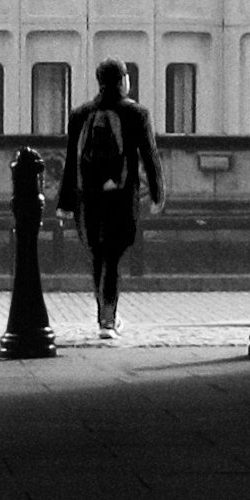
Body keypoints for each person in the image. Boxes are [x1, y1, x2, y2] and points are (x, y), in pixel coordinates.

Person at [59, 60, 165, 339]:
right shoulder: (136, 113)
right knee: (113, 257)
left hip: (88, 196)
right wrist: (157, 193)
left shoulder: (80, 114)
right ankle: (108, 318)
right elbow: (149, 155)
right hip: (121, 195)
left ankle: (104, 316)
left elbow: (71, 160)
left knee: (97, 255)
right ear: (123, 81)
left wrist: (65, 202)